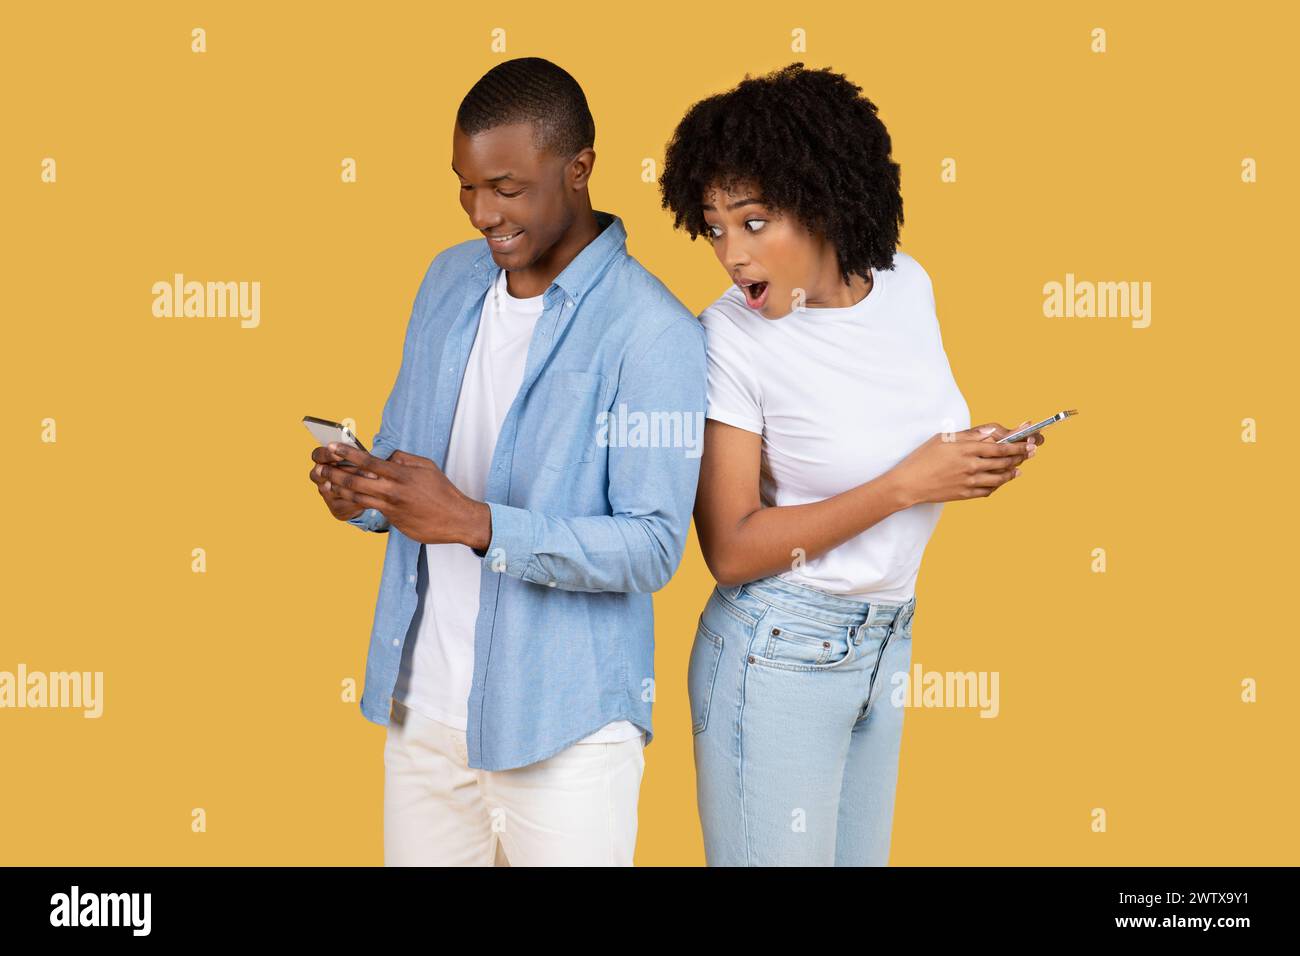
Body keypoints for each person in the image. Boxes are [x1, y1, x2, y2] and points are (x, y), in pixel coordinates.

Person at [310, 57, 707, 866]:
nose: (481, 213)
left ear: (579, 168)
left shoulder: (654, 332)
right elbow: (402, 451)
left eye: (506, 188)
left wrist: (478, 524)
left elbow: (653, 545)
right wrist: (364, 491)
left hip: (565, 730)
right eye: (465, 186)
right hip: (423, 712)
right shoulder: (447, 280)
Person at [658, 62, 1045, 866]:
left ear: (824, 201)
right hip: (776, 653)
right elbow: (730, 546)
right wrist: (907, 485)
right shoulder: (728, 337)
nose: (731, 253)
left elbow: (904, 430)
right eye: (716, 227)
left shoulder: (909, 284)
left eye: (754, 222)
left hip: (888, 639)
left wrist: (970, 456)